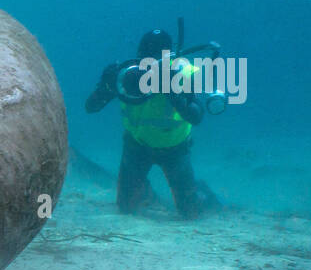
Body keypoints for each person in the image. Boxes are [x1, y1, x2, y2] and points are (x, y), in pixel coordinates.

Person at [85, 28, 220, 219]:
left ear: (171, 59)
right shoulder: (127, 75)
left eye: (157, 61)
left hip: (176, 149)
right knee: (125, 208)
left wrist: (174, 94)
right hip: (136, 147)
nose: (151, 69)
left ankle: (202, 193)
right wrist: (105, 87)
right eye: (146, 60)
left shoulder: (184, 74)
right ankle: (145, 191)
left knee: (191, 214)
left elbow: (196, 117)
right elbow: (91, 107)